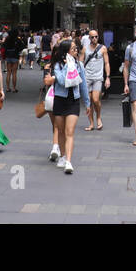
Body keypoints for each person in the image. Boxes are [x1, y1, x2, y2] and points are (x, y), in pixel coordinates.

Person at [45, 38, 89, 174]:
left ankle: (68, 161)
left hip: (73, 101)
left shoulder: (79, 65)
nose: (76, 50)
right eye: (73, 48)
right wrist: (67, 66)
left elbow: (83, 85)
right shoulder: (58, 65)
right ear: (66, 51)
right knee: (61, 130)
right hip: (60, 99)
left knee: (70, 131)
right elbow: (62, 80)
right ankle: (63, 155)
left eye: (77, 48)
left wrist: (87, 103)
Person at [83, 30, 110, 132]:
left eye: (96, 37)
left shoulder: (103, 48)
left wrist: (107, 77)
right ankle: (91, 123)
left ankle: (98, 118)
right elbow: (81, 63)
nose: (94, 39)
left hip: (98, 78)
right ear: (89, 38)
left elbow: (107, 63)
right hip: (87, 77)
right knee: (88, 101)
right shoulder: (85, 49)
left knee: (95, 99)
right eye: (92, 37)